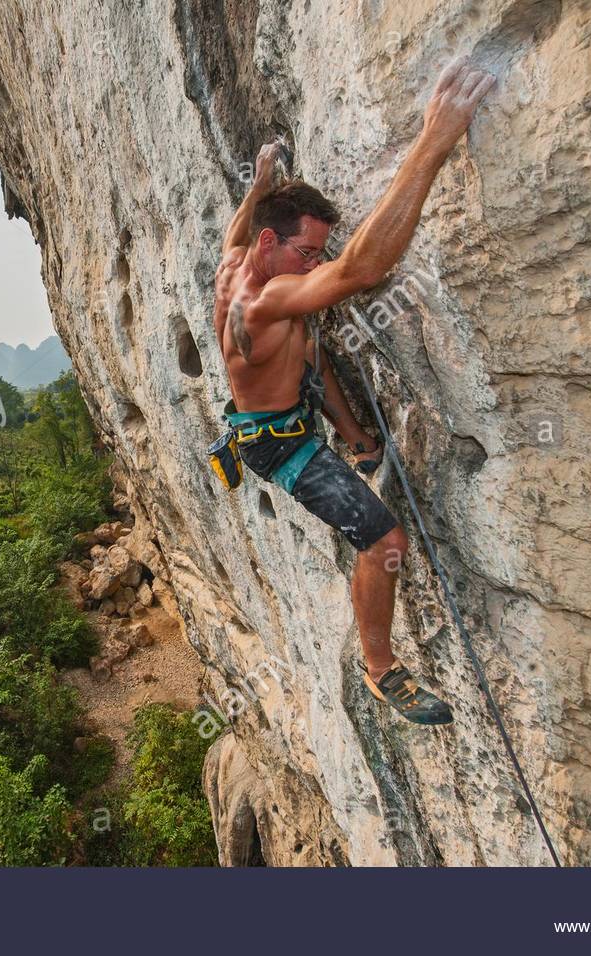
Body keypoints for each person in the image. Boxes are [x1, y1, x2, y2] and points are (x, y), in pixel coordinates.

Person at [212, 57, 495, 725]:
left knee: (314, 349)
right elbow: (364, 269)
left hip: (283, 408)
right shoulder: (268, 300)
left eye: (319, 253)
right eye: (309, 253)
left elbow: (235, 231)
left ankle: (354, 436)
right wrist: (434, 140)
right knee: (384, 541)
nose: (317, 263)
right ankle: (381, 671)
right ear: (273, 247)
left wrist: (259, 187)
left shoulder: (236, 262)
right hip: (281, 449)